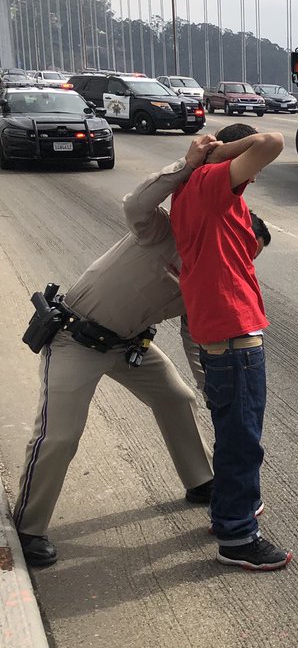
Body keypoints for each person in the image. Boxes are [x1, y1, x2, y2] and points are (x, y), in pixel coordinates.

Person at [12, 134, 269, 568]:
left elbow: (197, 338)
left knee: (177, 397)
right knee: (60, 435)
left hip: (129, 344)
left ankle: (201, 481)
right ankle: (28, 527)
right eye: (245, 247)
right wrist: (185, 166)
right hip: (76, 338)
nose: (243, 258)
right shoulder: (163, 232)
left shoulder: (210, 275)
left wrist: (218, 396)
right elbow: (135, 204)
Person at [170, 123, 291, 572]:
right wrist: (215, 152)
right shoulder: (208, 186)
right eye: (245, 171)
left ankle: (232, 509)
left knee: (234, 433)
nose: (252, 177)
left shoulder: (198, 193)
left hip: (223, 335)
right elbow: (272, 142)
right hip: (232, 338)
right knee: (242, 439)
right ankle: (237, 535)